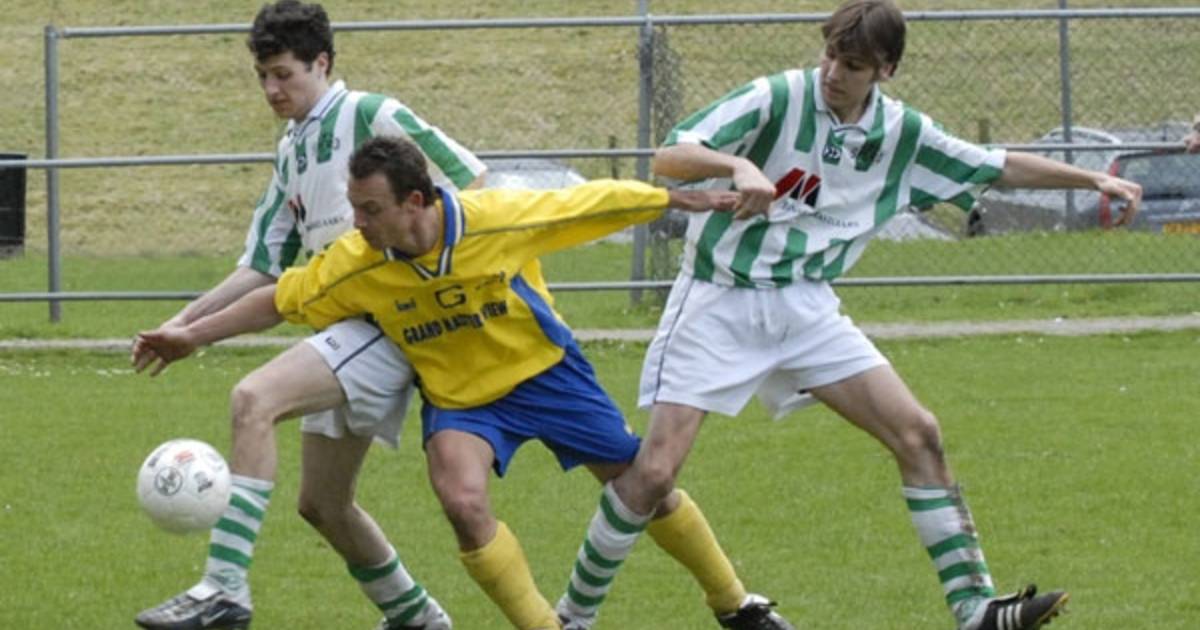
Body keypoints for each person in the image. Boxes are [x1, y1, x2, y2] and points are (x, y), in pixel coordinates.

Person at [557, 2, 1145, 630]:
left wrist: (1092, 180)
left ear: (886, 70)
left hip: (807, 306)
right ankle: (571, 617)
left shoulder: (900, 133)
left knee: (919, 433)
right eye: (830, 55)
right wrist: (736, 163)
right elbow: (670, 154)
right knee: (653, 472)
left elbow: (994, 165)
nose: (833, 72)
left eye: (854, 64)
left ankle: (975, 608)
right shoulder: (777, 97)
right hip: (719, 299)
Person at [133, 135, 795, 630]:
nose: (357, 224)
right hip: (462, 402)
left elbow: (594, 202)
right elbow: (282, 297)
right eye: (354, 208)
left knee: (643, 486)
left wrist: (691, 198)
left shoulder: (494, 220)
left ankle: (734, 604)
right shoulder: (355, 262)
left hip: (548, 374)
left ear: (415, 202)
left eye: (370, 209)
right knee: (461, 503)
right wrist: (192, 334)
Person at [131, 2, 486, 629]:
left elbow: (474, 184)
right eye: (263, 76)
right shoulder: (293, 147)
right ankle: (419, 620)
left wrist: (423, 279)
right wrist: (182, 324)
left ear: (322, 63)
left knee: (253, 400)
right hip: (341, 330)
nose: (272, 89)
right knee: (324, 505)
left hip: (387, 326)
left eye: (284, 74)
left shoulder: (372, 115)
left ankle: (224, 588)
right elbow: (264, 266)